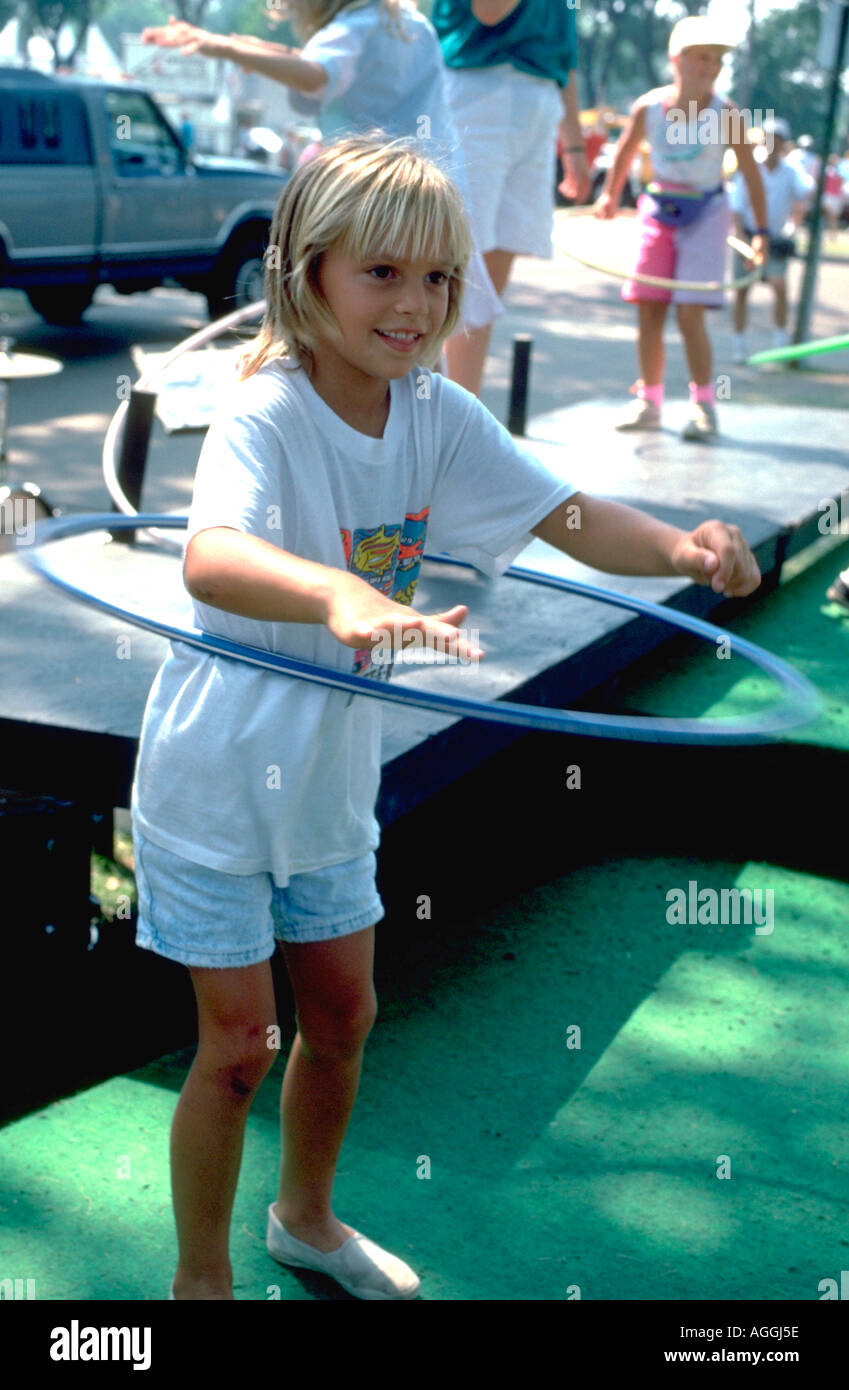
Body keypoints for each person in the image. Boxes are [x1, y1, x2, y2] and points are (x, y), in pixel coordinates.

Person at [130, 134, 761, 1301]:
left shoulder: (436, 413)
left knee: (346, 1014)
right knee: (237, 1050)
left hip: (326, 772)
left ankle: (304, 1218)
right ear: (308, 273)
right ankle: (198, 1283)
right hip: (222, 766)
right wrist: (337, 591)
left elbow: (567, 518)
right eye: (383, 274)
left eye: (437, 277)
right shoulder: (264, 414)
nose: (417, 305)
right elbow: (210, 558)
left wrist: (683, 548)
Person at [143, 1, 501, 359]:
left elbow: (315, 73)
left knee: (341, 323)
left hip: (375, 204)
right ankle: (421, 406)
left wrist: (222, 46)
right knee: (418, 340)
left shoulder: (353, 30)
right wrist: (242, 48)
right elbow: (317, 61)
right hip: (436, 199)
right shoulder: (410, 26)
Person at [595, 14, 768, 442]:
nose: (709, 68)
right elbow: (625, 151)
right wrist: (609, 195)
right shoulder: (649, 108)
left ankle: (704, 405)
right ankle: (649, 400)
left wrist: (761, 231)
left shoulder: (727, 115)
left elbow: (750, 173)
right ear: (678, 59)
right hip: (659, 208)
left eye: (717, 61)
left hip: (707, 211)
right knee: (649, 306)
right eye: (701, 58)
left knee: (691, 313)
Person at [431, 0, 590, 396]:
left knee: (483, 294)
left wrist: (574, 146)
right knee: (450, 270)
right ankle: (422, 418)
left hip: (537, 105)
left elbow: (563, 59)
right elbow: (489, 11)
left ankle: (462, 418)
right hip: (479, 94)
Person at [729, 117, 813, 363]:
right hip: (748, 238)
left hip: (773, 241)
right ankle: (739, 345)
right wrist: (742, 238)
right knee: (742, 291)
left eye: (778, 140)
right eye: (769, 139)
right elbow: (736, 206)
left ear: (784, 144)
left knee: (779, 286)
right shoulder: (749, 167)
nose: (772, 145)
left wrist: (794, 225)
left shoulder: (791, 171)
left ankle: (779, 343)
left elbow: (805, 193)